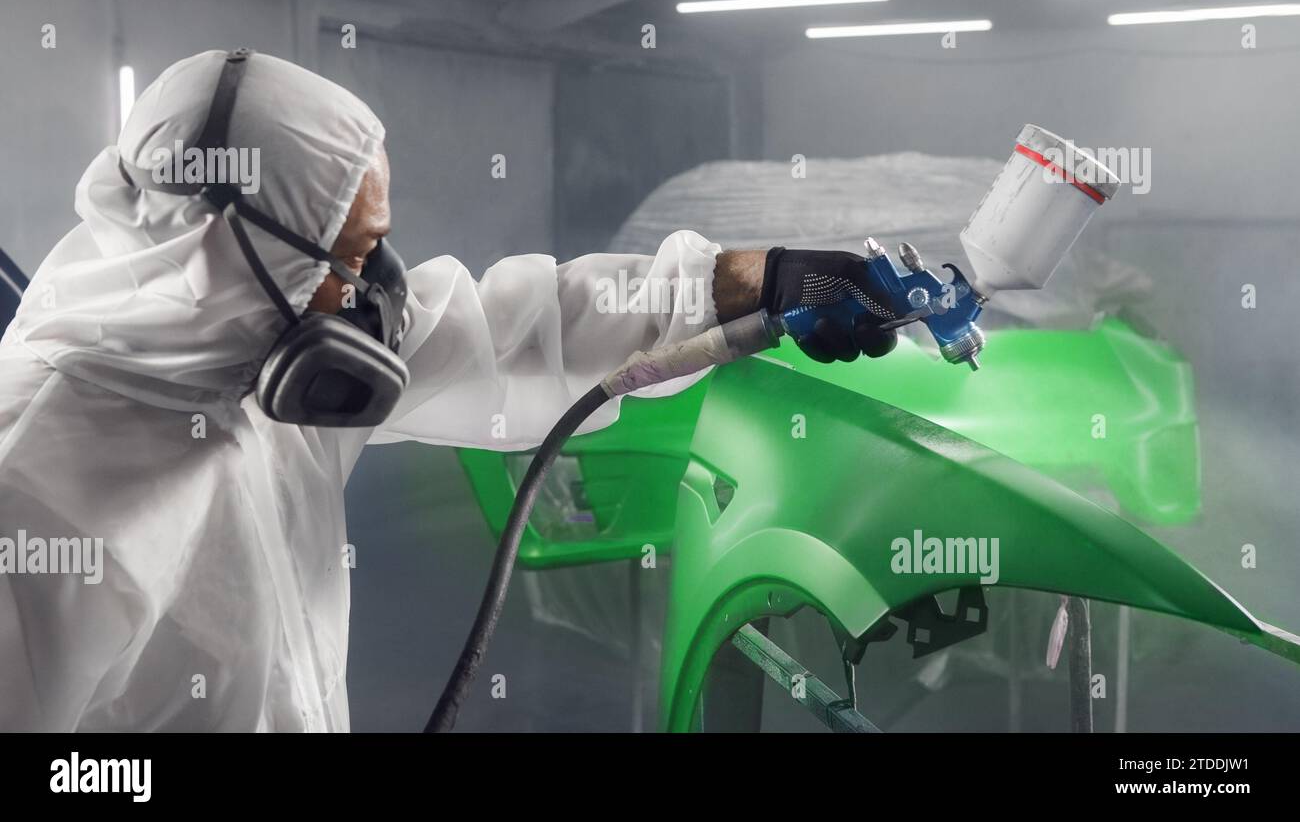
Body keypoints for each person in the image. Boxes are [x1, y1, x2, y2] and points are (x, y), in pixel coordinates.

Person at [0, 50, 895, 731]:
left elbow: (517, 332)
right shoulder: (34, 492)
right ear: (233, 257)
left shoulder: (252, 359)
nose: (380, 294)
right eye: (354, 259)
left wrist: (763, 279)